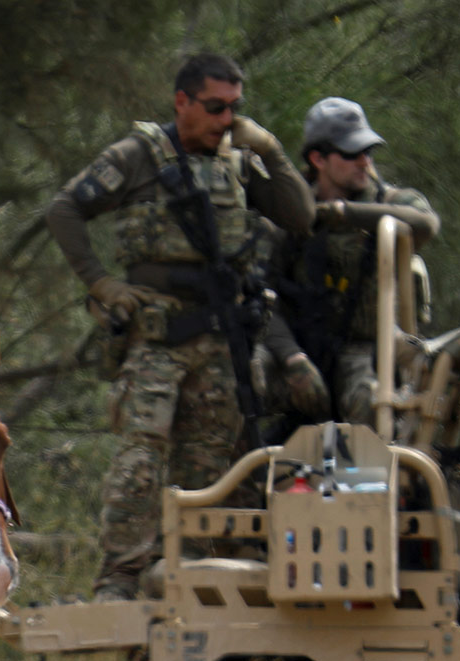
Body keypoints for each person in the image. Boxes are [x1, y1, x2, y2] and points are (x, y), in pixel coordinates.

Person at [45, 53, 314, 601]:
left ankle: (183, 572)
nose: (226, 120)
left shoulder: (239, 162)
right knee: (141, 461)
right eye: (215, 107)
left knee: (207, 466)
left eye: (235, 108)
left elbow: (300, 215)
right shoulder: (138, 156)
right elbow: (65, 209)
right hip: (158, 339)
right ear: (182, 102)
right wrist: (102, 284)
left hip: (220, 342)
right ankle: (119, 578)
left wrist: (270, 151)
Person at [263, 97, 439, 426]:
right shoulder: (289, 215)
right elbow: (261, 295)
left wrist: (345, 213)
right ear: (318, 159)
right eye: (351, 153)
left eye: (367, 151)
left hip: (364, 352)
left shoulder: (389, 202)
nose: (364, 161)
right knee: (240, 374)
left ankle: (373, 461)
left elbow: (426, 224)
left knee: (372, 402)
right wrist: (292, 357)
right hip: (300, 350)